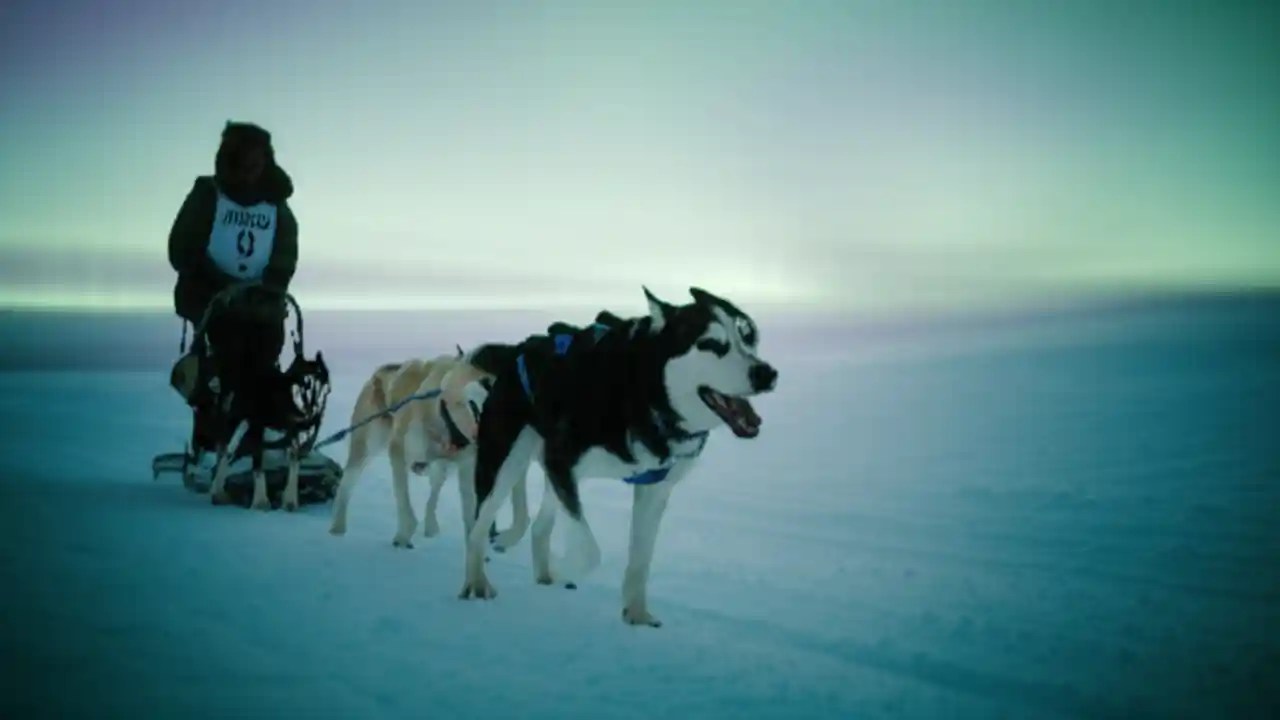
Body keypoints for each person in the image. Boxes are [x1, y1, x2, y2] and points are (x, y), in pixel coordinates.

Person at [166, 121, 300, 447]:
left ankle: (265, 432)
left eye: (258, 159)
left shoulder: (277, 207)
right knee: (222, 364)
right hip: (209, 299)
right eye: (245, 159)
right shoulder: (208, 195)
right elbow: (182, 249)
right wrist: (218, 285)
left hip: (261, 303)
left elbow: (284, 257)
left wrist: (268, 290)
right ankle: (216, 441)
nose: (252, 167)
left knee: (264, 355)